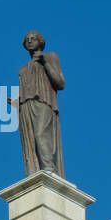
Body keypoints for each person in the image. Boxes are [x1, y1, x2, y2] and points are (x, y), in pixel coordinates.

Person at [15, 30, 66, 176]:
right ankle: (35, 171)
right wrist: (16, 102)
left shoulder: (50, 57)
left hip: (44, 101)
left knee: (40, 133)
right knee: (30, 140)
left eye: (33, 38)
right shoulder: (23, 69)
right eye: (27, 39)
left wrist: (45, 63)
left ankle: (49, 168)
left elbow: (60, 83)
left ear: (41, 41)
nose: (30, 41)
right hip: (26, 106)